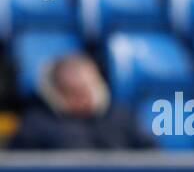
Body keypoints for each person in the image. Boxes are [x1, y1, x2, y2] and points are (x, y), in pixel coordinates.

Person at [11, 53, 156, 150]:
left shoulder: (122, 118)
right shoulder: (35, 127)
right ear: (54, 92)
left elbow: (151, 158)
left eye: (87, 89)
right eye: (72, 92)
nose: (82, 99)